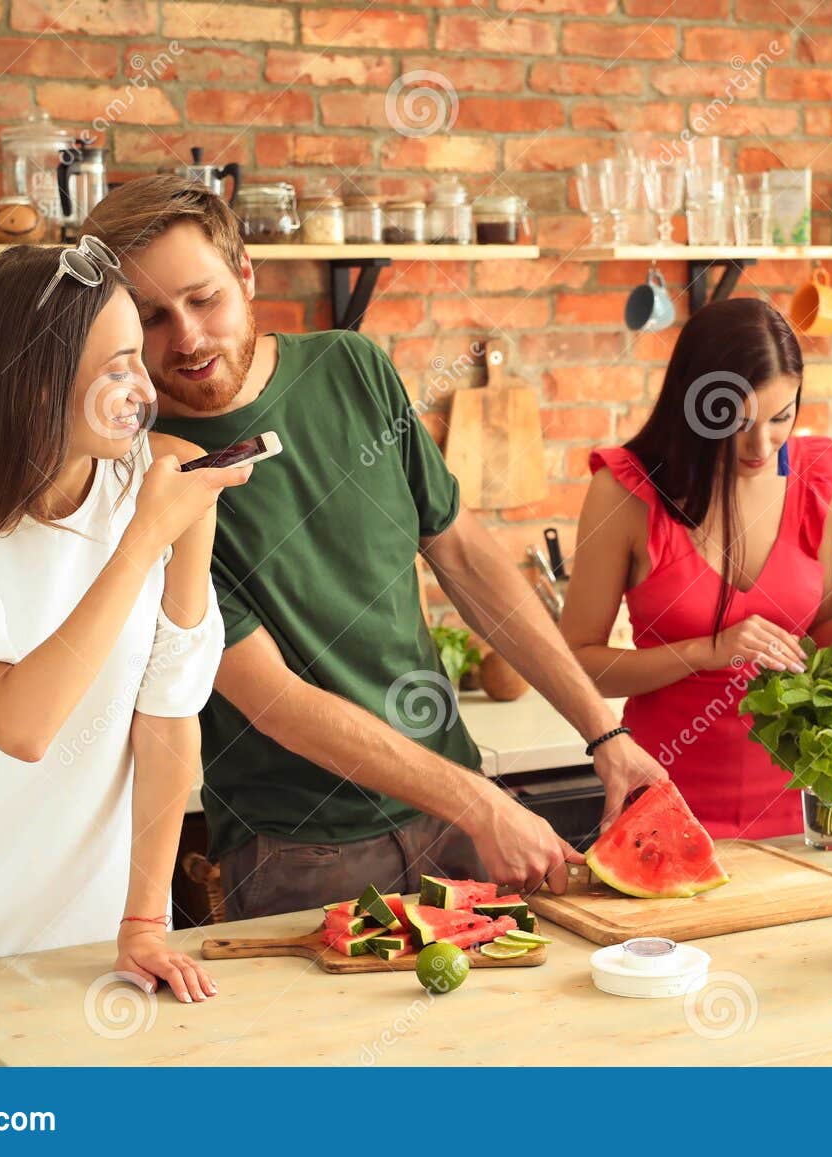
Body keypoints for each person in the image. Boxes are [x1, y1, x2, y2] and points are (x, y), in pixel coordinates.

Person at [81, 176, 667, 919]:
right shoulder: (147, 476)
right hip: (303, 854)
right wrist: (482, 804)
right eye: (153, 317)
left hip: (457, 817)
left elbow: (463, 556)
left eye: (204, 299)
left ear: (247, 275)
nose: (189, 337)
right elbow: (275, 702)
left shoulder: (352, 369)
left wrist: (603, 728)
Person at [0, 241, 250, 1065]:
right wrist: (144, 535)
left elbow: (169, 713)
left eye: (138, 361)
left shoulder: (171, 475)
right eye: (117, 367)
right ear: (32, 382)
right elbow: (23, 724)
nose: (145, 391)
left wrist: (145, 917)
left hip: (99, 929)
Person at [557, 298, 832, 839]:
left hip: (795, 808)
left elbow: (817, 635)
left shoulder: (816, 475)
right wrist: (706, 651)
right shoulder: (625, 492)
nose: (761, 446)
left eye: (781, 418)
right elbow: (576, 662)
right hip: (665, 796)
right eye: (736, 423)